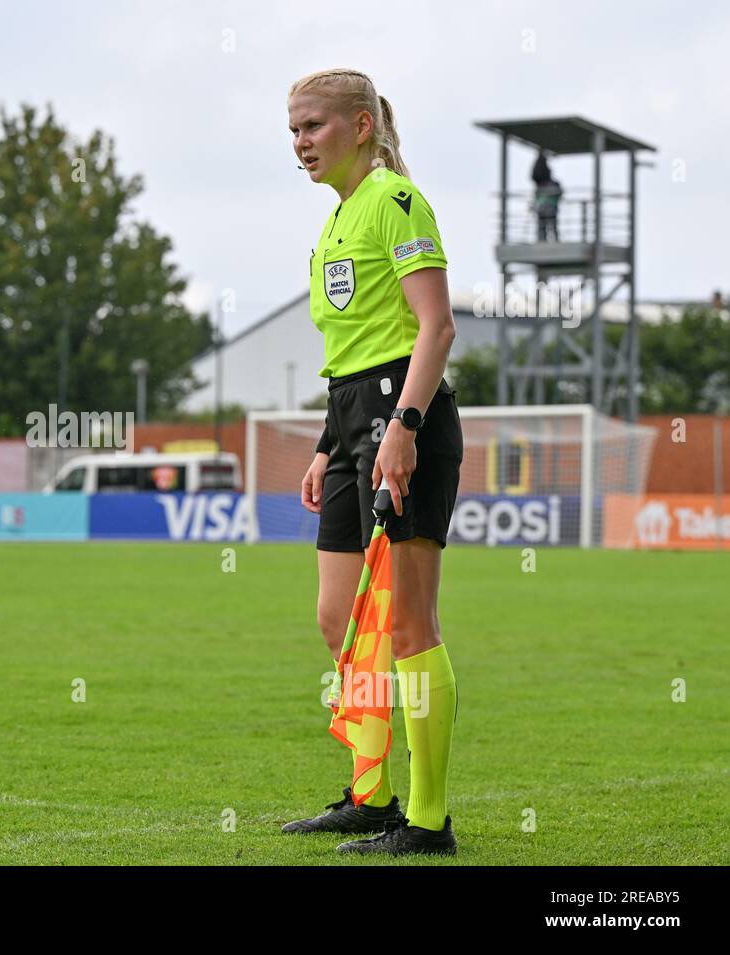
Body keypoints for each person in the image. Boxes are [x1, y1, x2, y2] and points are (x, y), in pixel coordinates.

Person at [281, 69, 463, 855]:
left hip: (406, 419)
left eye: (313, 127)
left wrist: (404, 426)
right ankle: (371, 795)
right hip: (352, 417)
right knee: (337, 618)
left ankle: (426, 821)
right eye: (293, 131)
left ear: (361, 126)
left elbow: (438, 327)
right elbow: (344, 354)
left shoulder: (395, 203)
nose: (300, 144)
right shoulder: (334, 222)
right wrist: (329, 444)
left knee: (413, 625)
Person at [531, 150, 562, 242]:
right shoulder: (552, 185)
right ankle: (551, 241)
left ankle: (544, 241)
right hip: (546, 208)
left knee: (545, 227)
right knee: (548, 227)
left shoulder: (542, 187)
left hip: (545, 208)